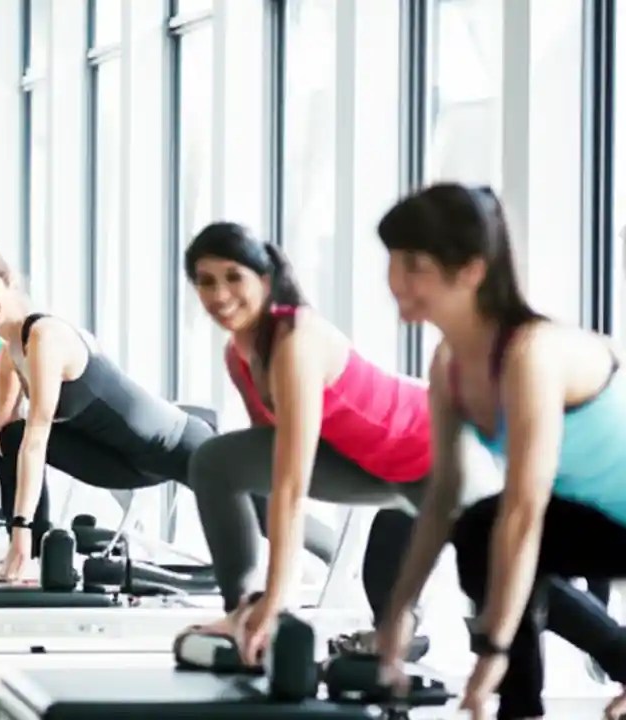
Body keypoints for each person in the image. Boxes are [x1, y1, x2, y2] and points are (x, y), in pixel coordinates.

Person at [179, 222, 502, 666]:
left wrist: (279, 602)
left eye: (234, 276)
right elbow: (266, 466)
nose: (219, 294)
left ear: (266, 279)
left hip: (434, 453)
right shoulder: (239, 354)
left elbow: (290, 486)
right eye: (206, 281)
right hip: (366, 462)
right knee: (215, 461)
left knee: (511, 575)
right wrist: (261, 601)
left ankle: (615, 651)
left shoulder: (295, 341)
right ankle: (242, 611)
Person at [372, 183, 626, 720]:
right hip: (601, 520)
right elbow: (441, 498)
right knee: (477, 530)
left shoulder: (532, 353)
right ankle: (520, 709)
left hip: (610, 520)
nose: (396, 280)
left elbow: (524, 510)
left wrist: (492, 649)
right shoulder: (450, 364)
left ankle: (512, 691)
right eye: (394, 261)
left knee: (500, 527)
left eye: (414, 263)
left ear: (471, 270)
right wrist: (396, 613)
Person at [0, 238, 217, 581]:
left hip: (177, 445)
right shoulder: (8, 353)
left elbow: (36, 438)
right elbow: (0, 439)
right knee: (6, 434)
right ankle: (29, 558)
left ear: (9, 282)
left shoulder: (45, 336)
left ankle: (23, 548)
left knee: (271, 521)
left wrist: (21, 526)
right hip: (124, 464)